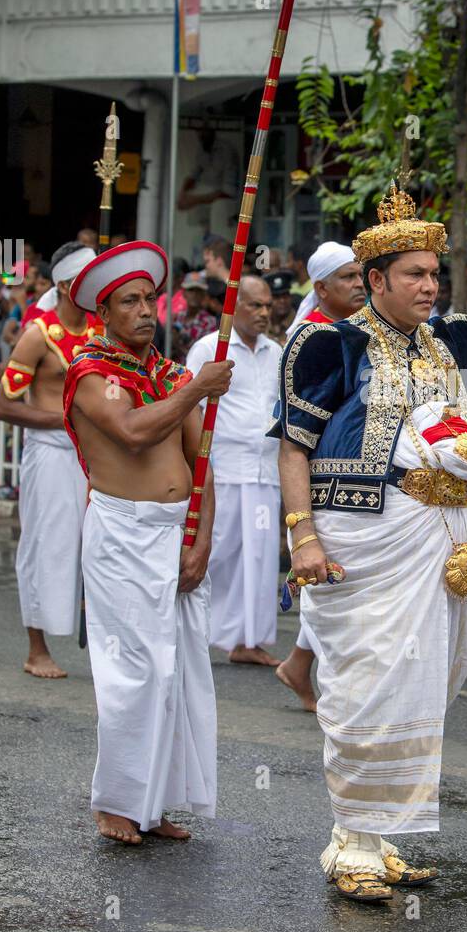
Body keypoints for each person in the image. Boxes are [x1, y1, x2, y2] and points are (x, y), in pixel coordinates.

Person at [273, 181, 467, 903]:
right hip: (363, 535)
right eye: (413, 273)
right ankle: (348, 840)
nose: (428, 285)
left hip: (447, 533)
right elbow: (293, 450)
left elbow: (466, 444)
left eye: (433, 274)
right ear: (374, 280)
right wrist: (302, 539)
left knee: (422, 679)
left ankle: (375, 838)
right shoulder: (329, 345)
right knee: (367, 679)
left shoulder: (457, 344)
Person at [63, 241, 233, 845]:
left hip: (176, 536)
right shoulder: (90, 375)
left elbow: (201, 464)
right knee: (134, 670)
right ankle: (114, 801)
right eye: (129, 302)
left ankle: (154, 801)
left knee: (178, 671)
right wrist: (197, 389)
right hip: (122, 535)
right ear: (102, 313)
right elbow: (134, 433)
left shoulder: (166, 372)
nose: (144, 311)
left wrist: (202, 541)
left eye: (150, 299)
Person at [0, 243, 99, 679]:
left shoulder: (100, 330)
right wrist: (61, 421)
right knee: (45, 546)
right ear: (65, 285)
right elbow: (3, 406)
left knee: (97, 549)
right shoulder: (38, 334)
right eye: (87, 280)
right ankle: (36, 649)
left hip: (94, 456)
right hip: (51, 455)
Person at [274, 243, 367, 710]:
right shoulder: (311, 338)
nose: (358, 284)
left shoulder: (356, 331)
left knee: (339, 581)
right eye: (347, 277)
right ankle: (315, 675)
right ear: (321, 287)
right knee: (327, 580)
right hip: (316, 475)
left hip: (349, 474)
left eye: (360, 275)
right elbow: (298, 433)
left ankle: (299, 666)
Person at [187, 275, 284, 668]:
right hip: (223, 471)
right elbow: (189, 405)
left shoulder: (276, 351)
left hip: (264, 472)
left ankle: (249, 639)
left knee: (260, 559)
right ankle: (195, 631)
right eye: (255, 306)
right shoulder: (209, 349)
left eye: (267, 306)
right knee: (218, 555)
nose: (264, 313)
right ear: (234, 306)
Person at [286, 241, 365, 334]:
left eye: (361, 275)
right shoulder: (311, 335)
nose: (360, 284)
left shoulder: (371, 323)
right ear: (321, 288)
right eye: (349, 276)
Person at [177, 126, 240, 236]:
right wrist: (183, 192)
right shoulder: (203, 148)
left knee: (217, 223)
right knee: (193, 228)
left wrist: (194, 200)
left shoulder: (226, 151)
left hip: (223, 205)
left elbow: (229, 192)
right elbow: (195, 172)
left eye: (203, 134)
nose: (200, 137)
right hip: (204, 202)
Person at [266, 270, 297, 344]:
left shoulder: (298, 323)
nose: (282, 301)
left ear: (291, 297)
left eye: (285, 296)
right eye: (276, 297)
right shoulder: (262, 323)